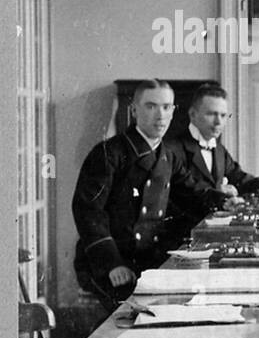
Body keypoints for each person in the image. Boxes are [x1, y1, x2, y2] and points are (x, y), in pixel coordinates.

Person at [71, 79, 209, 314]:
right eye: (151, 106)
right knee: (133, 318)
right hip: (109, 261)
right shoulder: (109, 153)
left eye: (167, 107)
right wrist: (112, 263)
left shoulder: (167, 154)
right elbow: (88, 211)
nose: (161, 115)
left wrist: (226, 200)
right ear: (134, 110)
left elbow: (193, 192)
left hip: (148, 258)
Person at [168, 81, 259, 239]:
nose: (218, 122)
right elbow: (190, 192)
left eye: (223, 115)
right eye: (211, 114)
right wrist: (223, 198)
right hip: (184, 236)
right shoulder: (173, 149)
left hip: (214, 233)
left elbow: (240, 179)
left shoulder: (219, 150)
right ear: (193, 114)